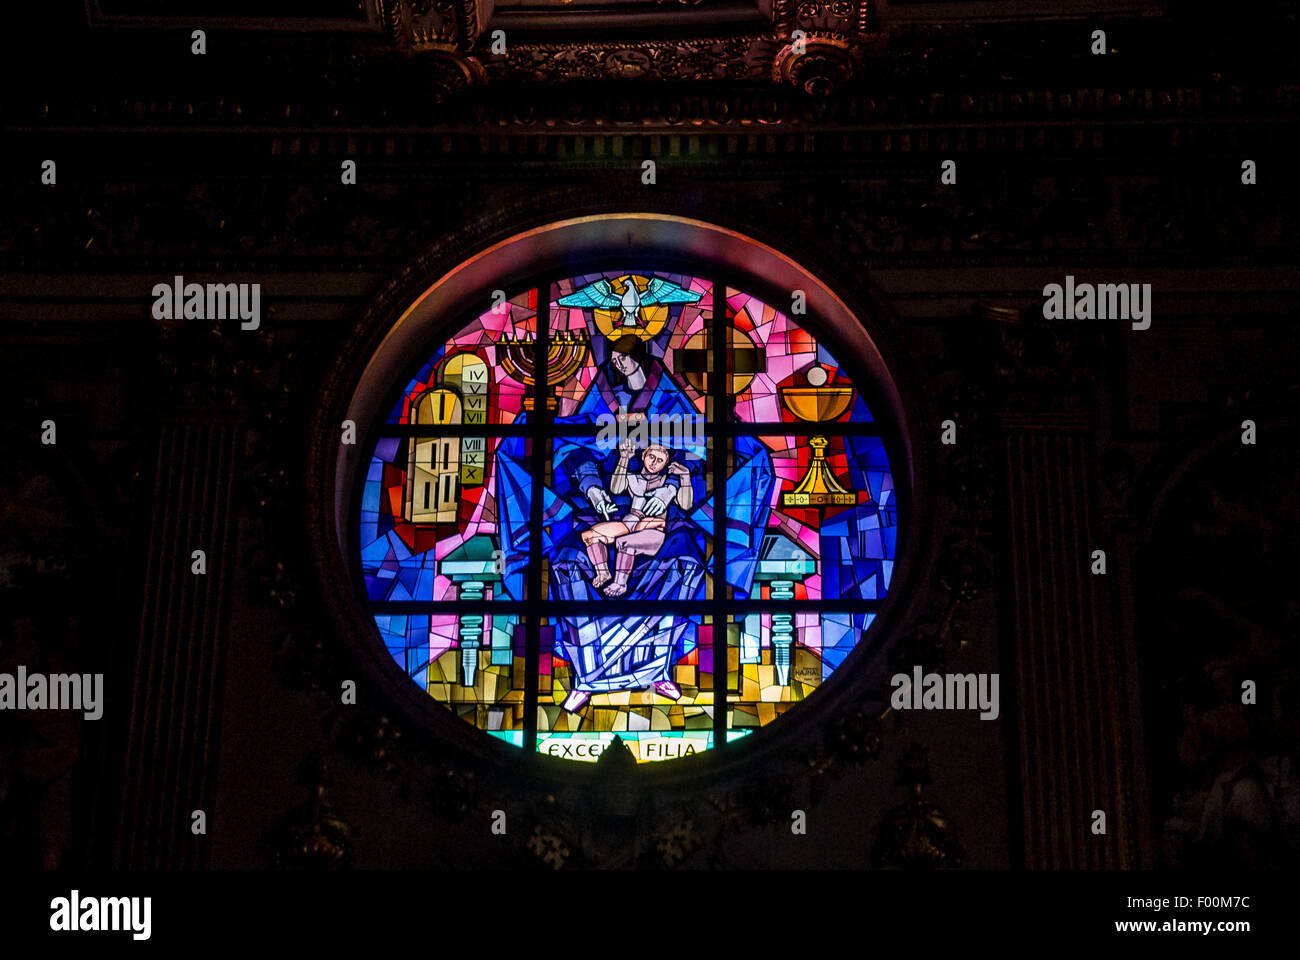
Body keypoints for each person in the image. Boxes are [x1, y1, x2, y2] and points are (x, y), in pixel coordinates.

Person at [581, 441, 694, 597]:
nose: (654, 463)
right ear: (643, 455)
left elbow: (686, 505)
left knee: (625, 542)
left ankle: (620, 583)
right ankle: (603, 573)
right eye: (651, 457)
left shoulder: (666, 485)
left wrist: (686, 478)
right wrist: (624, 459)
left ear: (666, 463)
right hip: (629, 523)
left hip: (653, 528)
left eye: (660, 460)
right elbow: (616, 488)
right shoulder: (632, 478)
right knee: (589, 536)